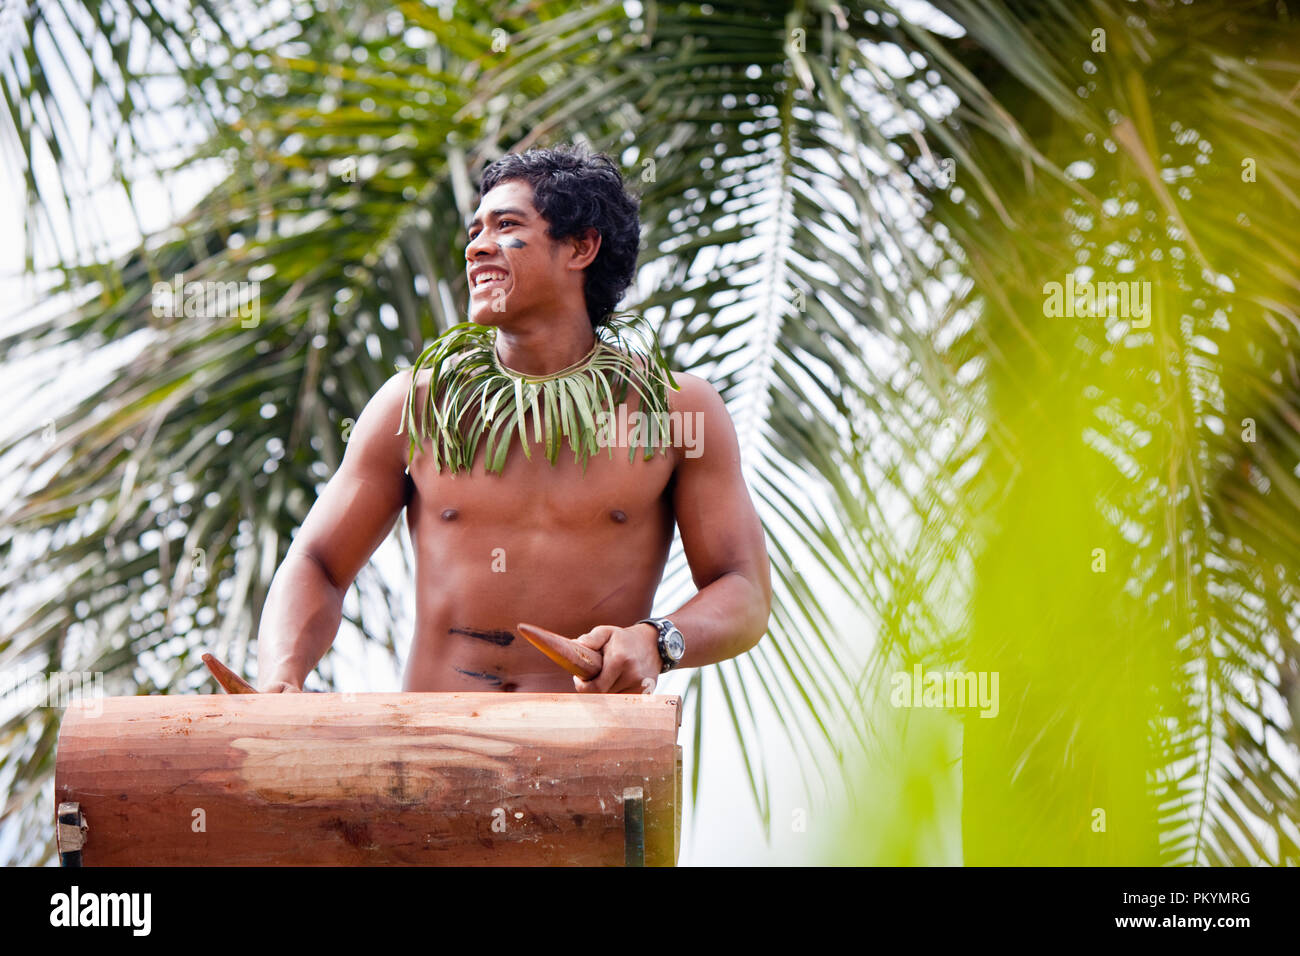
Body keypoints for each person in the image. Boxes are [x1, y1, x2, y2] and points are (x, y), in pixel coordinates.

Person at [256, 144, 771, 694]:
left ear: (580, 246)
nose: (477, 248)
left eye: (505, 225)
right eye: (475, 231)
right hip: (430, 751)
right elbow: (318, 561)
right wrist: (282, 674)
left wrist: (656, 639)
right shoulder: (421, 404)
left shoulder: (670, 411)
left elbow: (742, 587)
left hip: (590, 758)